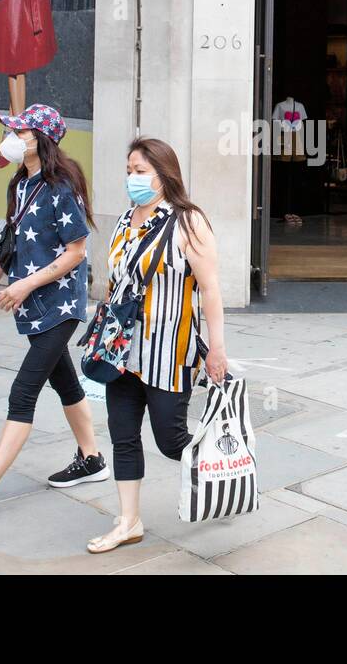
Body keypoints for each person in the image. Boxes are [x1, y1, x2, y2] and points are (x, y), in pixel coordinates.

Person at [0, 104, 106, 518]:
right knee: (67, 384)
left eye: (19, 131)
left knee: (23, 391)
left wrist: (26, 284)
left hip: (60, 303)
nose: (11, 137)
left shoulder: (62, 187)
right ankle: (93, 459)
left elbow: (76, 252)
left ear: (41, 140)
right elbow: (9, 240)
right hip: (30, 303)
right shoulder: (20, 184)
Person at [86, 138, 229, 553]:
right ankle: (128, 520)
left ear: (164, 175)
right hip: (121, 350)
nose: (133, 178)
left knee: (170, 439)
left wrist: (216, 349)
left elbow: (211, 290)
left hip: (169, 349)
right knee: (123, 435)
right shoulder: (125, 220)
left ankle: (223, 470)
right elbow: (115, 283)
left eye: (141, 171)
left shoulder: (189, 222)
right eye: (129, 170)